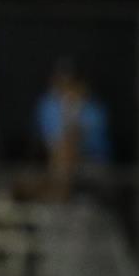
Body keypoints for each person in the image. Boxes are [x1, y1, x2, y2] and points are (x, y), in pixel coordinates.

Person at [32, 59, 111, 200]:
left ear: (81, 85)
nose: (66, 89)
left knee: (67, 154)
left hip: (92, 164)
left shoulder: (94, 110)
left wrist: (73, 114)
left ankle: (62, 197)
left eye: (71, 84)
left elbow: (88, 143)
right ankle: (57, 199)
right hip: (56, 164)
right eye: (61, 84)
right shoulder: (48, 105)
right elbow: (52, 142)